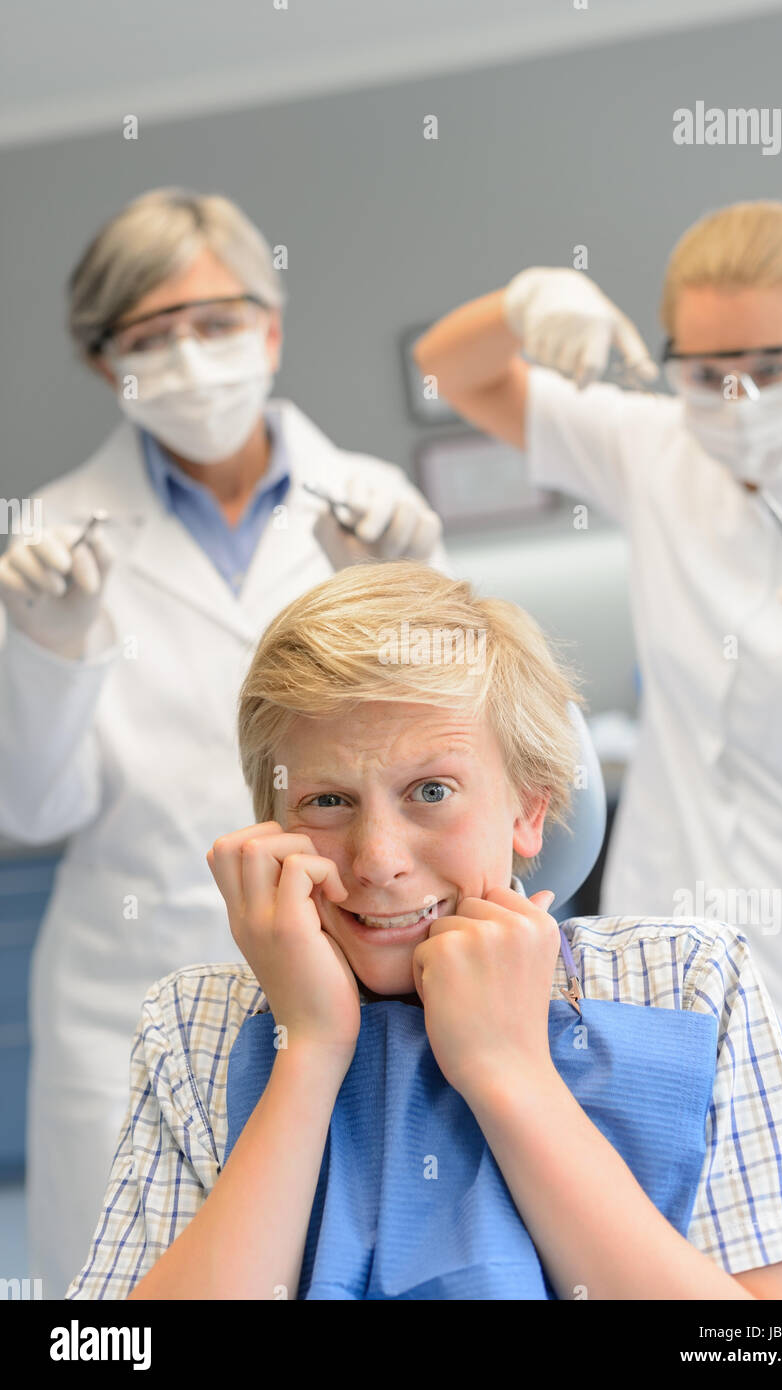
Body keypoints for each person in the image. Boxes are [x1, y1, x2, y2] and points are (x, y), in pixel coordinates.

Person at [66, 560, 782, 1300]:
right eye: (327, 802)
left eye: (432, 791)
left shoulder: (682, 980)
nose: (377, 861)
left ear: (528, 808)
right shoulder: (197, 1023)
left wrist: (507, 1071)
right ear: (268, 825)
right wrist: (308, 1048)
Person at [0, 188, 446, 1298]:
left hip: (361, 973)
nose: (189, 358)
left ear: (271, 328)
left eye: (213, 322)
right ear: (109, 367)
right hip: (132, 983)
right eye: (149, 339)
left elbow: (454, 759)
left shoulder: (374, 507)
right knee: (123, 1308)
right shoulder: (47, 541)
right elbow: (33, 810)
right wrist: (49, 652)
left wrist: (404, 603)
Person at [411, 200, 782, 1179]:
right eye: (704, 371)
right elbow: (448, 368)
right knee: (659, 1225)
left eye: (771, 365)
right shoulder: (657, 446)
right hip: (669, 922)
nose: (735, 396)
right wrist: (526, 302)